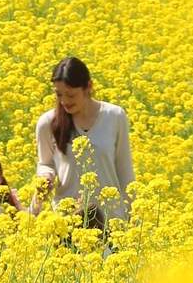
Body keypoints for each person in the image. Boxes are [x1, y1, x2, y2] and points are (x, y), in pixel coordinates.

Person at [34, 56, 135, 243]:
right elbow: (45, 163)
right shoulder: (48, 123)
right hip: (68, 224)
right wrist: (46, 176)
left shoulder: (114, 117)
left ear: (88, 86)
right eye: (59, 94)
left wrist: (134, 218)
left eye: (70, 95)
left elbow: (125, 170)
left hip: (112, 222)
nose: (64, 101)